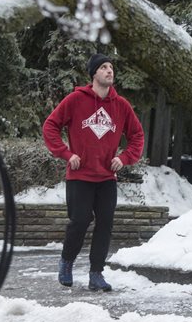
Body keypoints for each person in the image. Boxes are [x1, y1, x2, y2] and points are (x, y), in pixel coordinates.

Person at [42, 53, 144, 291]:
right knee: (80, 221)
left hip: (107, 177)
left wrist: (124, 158)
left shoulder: (121, 105)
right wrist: (67, 154)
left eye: (111, 67)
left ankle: (96, 274)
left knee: (105, 224)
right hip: (80, 176)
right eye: (104, 67)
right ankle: (66, 262)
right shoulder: (76, 99)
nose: (109, 71)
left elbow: (137, 135)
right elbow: (50, 126)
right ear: (94, 73)